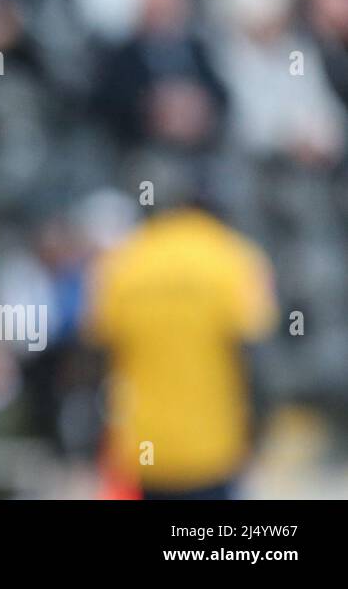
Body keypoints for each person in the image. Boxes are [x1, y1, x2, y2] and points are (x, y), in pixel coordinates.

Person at [84, 196, 277, 499]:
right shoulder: (232, 257)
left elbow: (96, 357)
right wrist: (260, 429)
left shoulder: (123, 261)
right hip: (215, 447)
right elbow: (256, 356)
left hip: (144, 447)